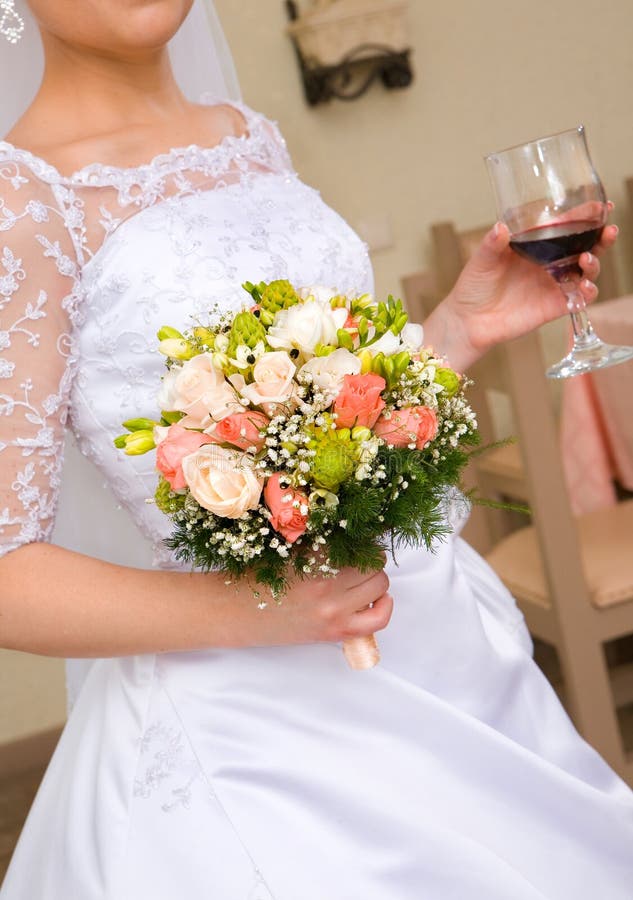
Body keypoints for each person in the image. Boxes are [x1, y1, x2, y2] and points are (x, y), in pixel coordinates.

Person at [0, 2, 631, 898]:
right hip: (257, 734)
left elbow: (324, 416)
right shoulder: (19, 202)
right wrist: (267, 612)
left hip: (434, 629)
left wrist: (455, 330)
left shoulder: (244, 137)